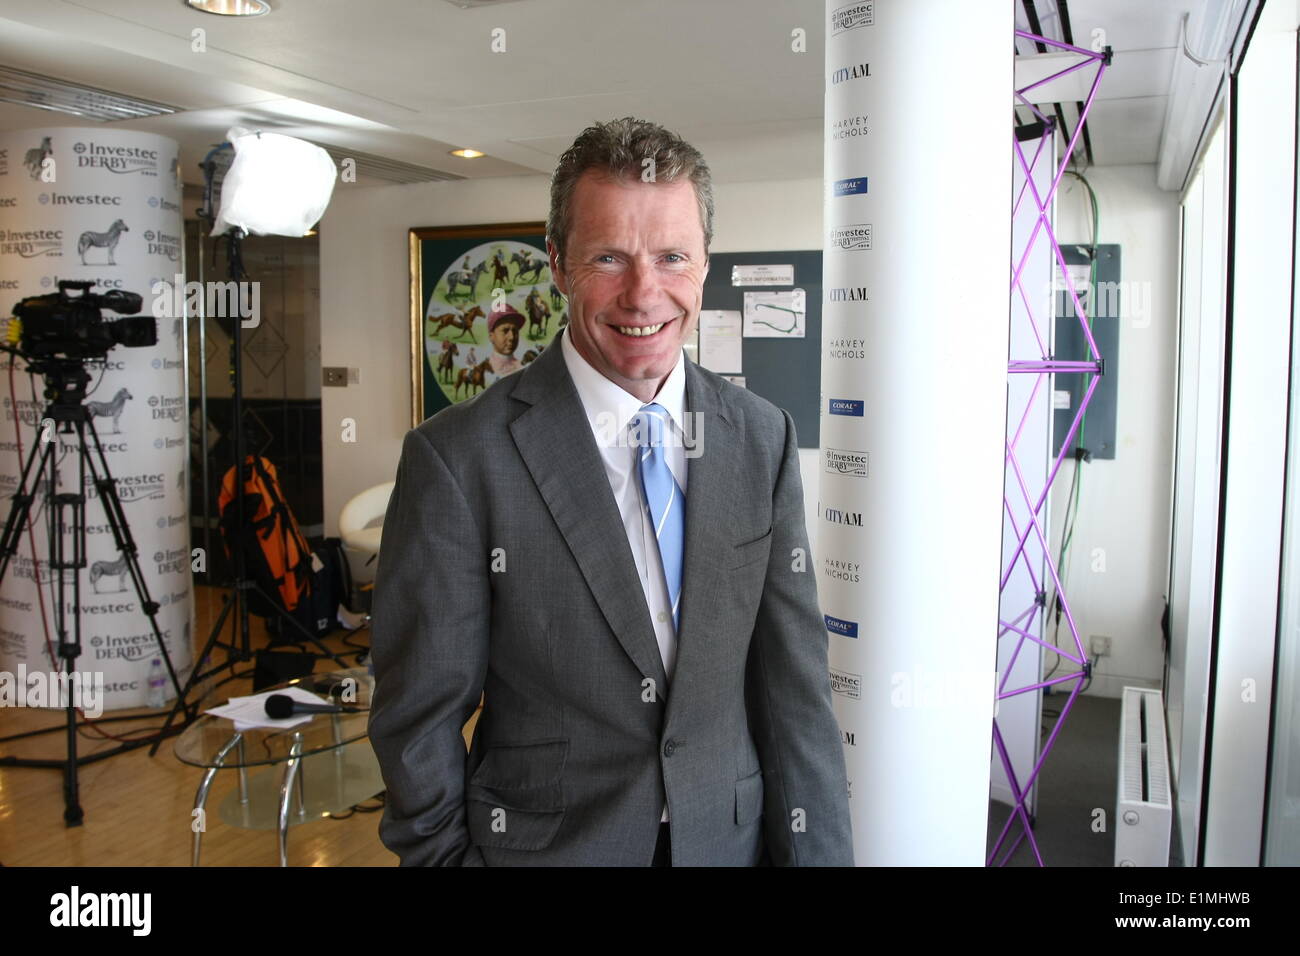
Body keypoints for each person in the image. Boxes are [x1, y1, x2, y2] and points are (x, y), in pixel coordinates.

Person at [368, 116, 853, 866]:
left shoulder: (762, 437)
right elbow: (418, 720)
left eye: (671, 256)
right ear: (558, 264)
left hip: (728, 846)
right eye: (608, 257)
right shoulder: (458, 459)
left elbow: (794, 696)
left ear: (705, 264)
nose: (642, 293)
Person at [485, 307, 524, 377]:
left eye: (515, 331)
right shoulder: (485, 371)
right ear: (491, 336)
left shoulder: (522, 368)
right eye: (505, 331)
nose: (512, 337)